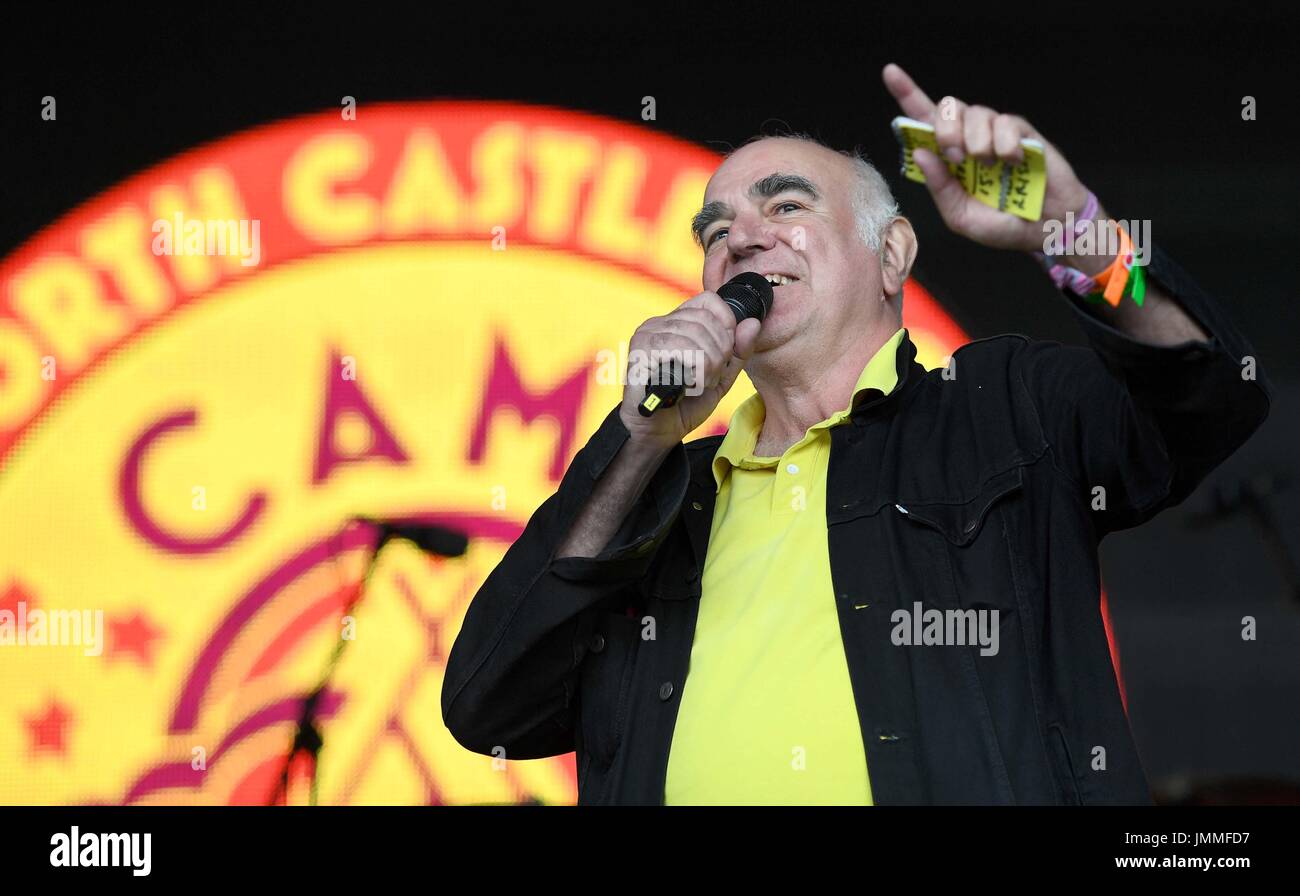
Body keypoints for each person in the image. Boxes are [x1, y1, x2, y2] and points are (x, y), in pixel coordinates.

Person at [441, 64, 1272, 804]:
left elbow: (1209, 396)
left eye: (787, 205)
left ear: (892, 255)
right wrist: (645, 433)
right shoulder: (672, 501)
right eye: (714, 230)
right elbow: (489, 703)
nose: (742, 239)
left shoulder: (1002, 407)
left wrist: (1068, 225)